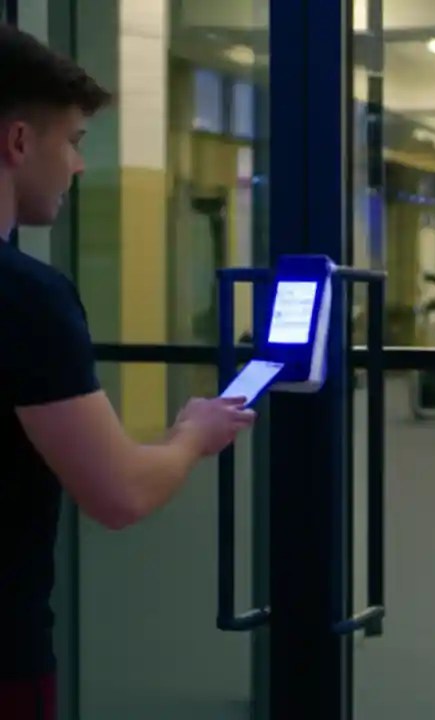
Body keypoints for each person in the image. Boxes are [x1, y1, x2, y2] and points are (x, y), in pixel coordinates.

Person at [0, 25, 256, 717]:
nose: (79, 166)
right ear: (19, 143)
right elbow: (120, 494)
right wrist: (194, 434)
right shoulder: (27, 297)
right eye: (75, 141)